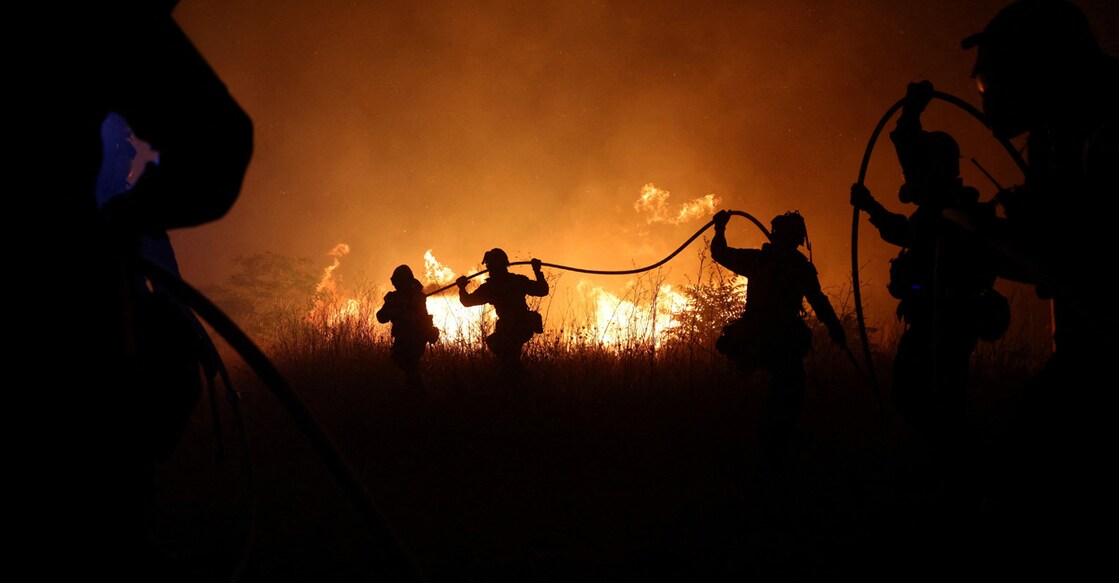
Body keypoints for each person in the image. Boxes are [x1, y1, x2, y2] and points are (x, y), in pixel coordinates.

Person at [20, 1, 253, 577]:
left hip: (73, 297)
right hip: (70, 311)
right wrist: (121, 222)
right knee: (95, 502)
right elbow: (217, 144)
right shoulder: (102, 17)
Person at [960, 0, 1119, 574]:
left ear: (1041, 70)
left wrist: (1001, 233)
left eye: (993, 77)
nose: (987, 94)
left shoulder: (1106, 137)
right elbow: (1053, 259)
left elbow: (1082, 260)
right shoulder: (1060, 132)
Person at [849, 80, 1006, 505]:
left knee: (940, 402)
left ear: (935, 169)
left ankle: (962, 480)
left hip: (949, 325)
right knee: (918, 397)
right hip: (929, 323)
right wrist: (871, 207)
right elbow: (904, 230)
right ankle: (953, 471)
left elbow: (914, 164)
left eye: (919, 171)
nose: (912, 178)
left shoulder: (958, 213)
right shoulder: (934, 212)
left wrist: (911, 116)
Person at [710, 209, 846, 471]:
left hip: (764, 338)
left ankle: (768, 446)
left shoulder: (763, 261)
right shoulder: (797, 266)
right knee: (788, 392)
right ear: (798, 239)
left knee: (785, 392)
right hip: (775, 339)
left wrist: (720, 229)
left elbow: (720, 253)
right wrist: (835, 329)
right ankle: (769, 445)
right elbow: (818, 301)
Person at [456, 249, 548, 374]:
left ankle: (517, 380)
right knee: (508, 358)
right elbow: (542, 289)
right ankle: (518, 378)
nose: (488, 269)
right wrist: (537, 271)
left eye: (490, 265)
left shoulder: (492, 287)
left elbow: (467, 301)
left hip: (515, 327)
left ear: (496, 266)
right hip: (520, 327)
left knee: (506, 357)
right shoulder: (516, 281)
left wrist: (462, 288)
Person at [377, 264, 440, 386]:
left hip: (413, 341)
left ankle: (416, 395)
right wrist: (394, 308)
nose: (395, 284)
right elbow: (381, 317)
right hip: (405, 341)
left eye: (396, 281)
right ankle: (415, 393)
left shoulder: (417, 298)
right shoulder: (396, 298)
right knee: (408, 370)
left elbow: (422, 319)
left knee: (408, 368)